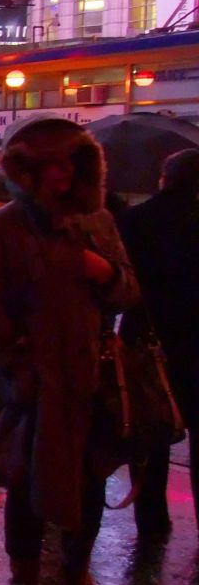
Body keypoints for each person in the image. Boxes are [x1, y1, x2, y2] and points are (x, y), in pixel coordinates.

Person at [0, 116, 139, 585]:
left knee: (90, 479)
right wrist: (17, 364)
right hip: (31, 385)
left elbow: (130, 292)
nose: (62, 173)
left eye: (70, 162)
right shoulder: (1, 229)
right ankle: (25, 583)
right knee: (27, 484)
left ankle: (79, 573)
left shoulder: (98, 223)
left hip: (90, 378)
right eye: (51, 163)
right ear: (29, 170)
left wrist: (105, 273)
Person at [116, 148, 199, 539]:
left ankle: (151, 520)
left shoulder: (134, 221)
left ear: (164, 179)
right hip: (193, 342)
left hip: (145, 340)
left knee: (149, 430)